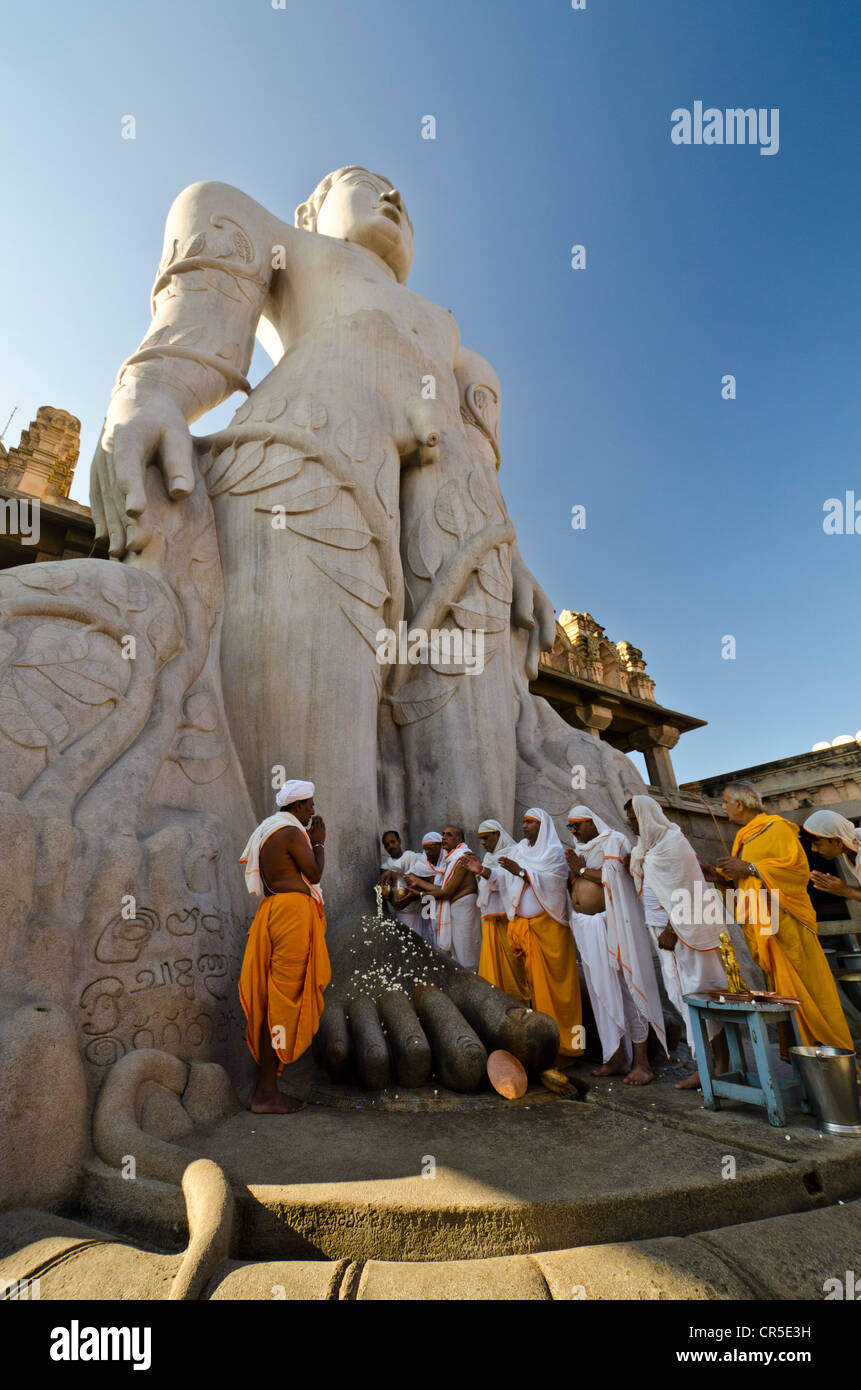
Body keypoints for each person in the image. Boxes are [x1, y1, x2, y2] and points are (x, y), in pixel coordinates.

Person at [713, 782, 853, 1052]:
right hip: (768, 932)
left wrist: (751, 867)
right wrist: (722, 877)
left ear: (739, 804)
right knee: (784, 996)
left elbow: (797, 874)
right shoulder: (745, 836)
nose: (722, 807)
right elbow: (748, 881)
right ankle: (804, 1063)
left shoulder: (776, 828)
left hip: (789, 929)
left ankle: (836, 1060)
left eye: (725, 802)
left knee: (812, 994)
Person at [237, 778, 331, 1114]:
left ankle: (262, 1089)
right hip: (290, 912)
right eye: (310, 805)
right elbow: (314, 873)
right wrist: (319, 843)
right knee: (284, 1001)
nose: (313, 811)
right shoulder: (292, 832)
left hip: (274, 911)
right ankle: (266, 1092)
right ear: (298, 806)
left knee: (275, 999)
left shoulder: (269, 829)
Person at [625, 796, 730, 1091]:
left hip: (686, 932)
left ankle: (713, 1067)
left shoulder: (674, 844)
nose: (630, 823)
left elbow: (689, 890)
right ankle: (715, 1066)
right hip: (665, 932)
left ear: (647, 816)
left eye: (633, 818)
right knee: (684, 998)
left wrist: (673, 928)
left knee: (699, 996)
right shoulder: (646, 849)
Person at [566, 806, 665, 1085]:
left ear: (592, 821)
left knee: (628, 988)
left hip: (614, 927)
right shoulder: (580, 849)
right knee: (600, 992)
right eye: (569, 828)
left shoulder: (615, 840)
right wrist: (573, 875)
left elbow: (615, 879)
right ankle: (617, 1056)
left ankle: (643, 1063)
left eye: (577, 826)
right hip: (587, 929)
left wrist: (581, 869)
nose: (573, 832)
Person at [490, 808, 583, 1059]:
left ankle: (565, 1047)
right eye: (523, 821)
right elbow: (502, 877)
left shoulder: (553, 852)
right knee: (530, 987)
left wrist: (521, 872)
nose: (525, 825)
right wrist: (483, 870)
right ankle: (537, 1044)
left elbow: (554, 881)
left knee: (556, 989)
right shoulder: (519, 849)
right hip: (523, 928)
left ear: (543, 825)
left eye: (530, 821)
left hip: (549, 928)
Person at [464, 819, 529, 1003]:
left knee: (513, 969)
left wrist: (483, 871)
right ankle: (497, 1007)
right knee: (493, 967)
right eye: (480, 839)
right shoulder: (487, 858)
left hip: (508, 920)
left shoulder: (514, 853)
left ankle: (520, 1006)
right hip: (490, 920)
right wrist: (480, 871)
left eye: (486, 838)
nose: (483, 842)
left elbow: (505, 879)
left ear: (497, 834)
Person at [406, 824, 481, 969]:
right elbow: (445, 890)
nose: (444, 837)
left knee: (466, 953)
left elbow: (447, 892)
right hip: (453, 910)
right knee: (457, 952)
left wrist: (420, 893)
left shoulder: (463, 858)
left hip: (464, 910)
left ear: (459, 839)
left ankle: (474, 986)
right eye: (443, 834)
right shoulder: (452, 859)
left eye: (449, 835)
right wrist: (418, 883)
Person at [804, 809, 861, 903]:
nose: (813, 849)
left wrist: (847, 891)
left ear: (838, 841)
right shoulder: (853, 844)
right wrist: (839, 888)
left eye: (818, 844)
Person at [378, 829, 425, 936]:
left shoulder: (412, 857)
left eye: (392, 842)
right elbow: (388, 891)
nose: (390, 846)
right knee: (409, 942)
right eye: (387, 845)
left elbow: (420, 878)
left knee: (428, 942)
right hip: (404, 911)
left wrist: (393, 874)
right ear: (385, 848)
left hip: (421, 906)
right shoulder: (385, 867)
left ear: (399, 841)